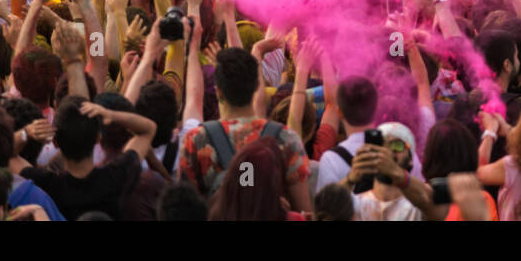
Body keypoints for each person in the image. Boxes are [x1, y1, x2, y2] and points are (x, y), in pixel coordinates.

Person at [179, 47, 312, 211]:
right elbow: (304, 211)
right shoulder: (285, 138)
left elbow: (185, 209)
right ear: (257, 86)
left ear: (218, 92)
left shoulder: (196, 139)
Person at [19, 95, 156, 220]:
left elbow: (3, 156)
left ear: (55, 142)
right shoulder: (117, 176)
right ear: (98, 138)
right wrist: (110, 114)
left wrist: (25, 133)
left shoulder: (47, 185)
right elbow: (148, 129)